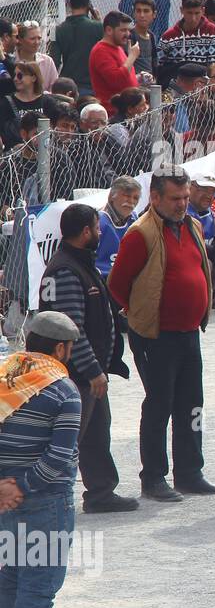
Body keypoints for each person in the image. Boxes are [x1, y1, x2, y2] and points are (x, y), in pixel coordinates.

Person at [107, 163, 215, 503]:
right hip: (156, 336)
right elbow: (117, 284)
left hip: (189, 332)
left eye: (186, 197)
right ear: (155, 197)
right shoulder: (140, 234)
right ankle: (154, 478)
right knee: (159, 404)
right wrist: (140, 313)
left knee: (192, 405)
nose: (182, 204)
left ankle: (190, 473)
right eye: (175, 198)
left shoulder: (192, 225)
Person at [0, 311, 86, 608]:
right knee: (39, 583)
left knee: (8, 576)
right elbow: (58, 459)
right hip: (46, 503)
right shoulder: (64, 391)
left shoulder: (4, 378)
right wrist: (23, 486)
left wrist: (4, 489)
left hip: (3, 503)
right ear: (62, 348)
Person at [38, 204, 135, 514]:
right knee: (68, 439)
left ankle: (100, 491)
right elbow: (70, 331)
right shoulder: (67, 269)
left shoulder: (77, 261)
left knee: (96, 432)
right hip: (76, 376)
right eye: (96, 227)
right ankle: (47, 498)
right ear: (85, 233)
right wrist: (93, 371)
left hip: (85, 372)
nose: (100, 232)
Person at [156, 0, 215, 89]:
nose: (193, 18)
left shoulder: (210, 31)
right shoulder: (168, 36)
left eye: (197, 13)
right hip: (175, 89)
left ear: (203, 11)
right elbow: (159, 65)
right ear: (181, 10)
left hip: (202, 88)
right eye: (189, 13)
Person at [50, 0, 101, 97]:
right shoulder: (99, 27)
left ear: (69, 3)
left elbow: (55, 62)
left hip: (67, 86)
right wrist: (99, 22)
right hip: (92, 86)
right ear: (89, 4)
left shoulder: (55, 30)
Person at [0, 62, 61, 148]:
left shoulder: (48, 102)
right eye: (14, 75)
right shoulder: (6, 103)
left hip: (44, 150)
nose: (15, 79)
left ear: (33, 77)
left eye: (20, 75)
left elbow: (55, 128)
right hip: (15, 153)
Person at [88, 11, 140, 106]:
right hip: (114, 113)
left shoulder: (118, 48)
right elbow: (117, 80)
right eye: (123, 30)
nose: (128, 34)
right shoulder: (101, 51)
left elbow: (125, 76)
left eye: (128, 30)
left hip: (129, 111)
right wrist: (132, 57)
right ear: (109, 30)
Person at [96, 175, 141, 278]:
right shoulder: (98, 222)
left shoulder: (134, 219)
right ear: (112, 196)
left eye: (135, 198)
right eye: (127, 195)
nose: (131, 201)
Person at [14, 21, 58, 92]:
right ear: (20, 40)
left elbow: (54, 89)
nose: (37, 42)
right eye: (32, 39)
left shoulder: (47, 61)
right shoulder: (10, 61)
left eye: (39, 38)